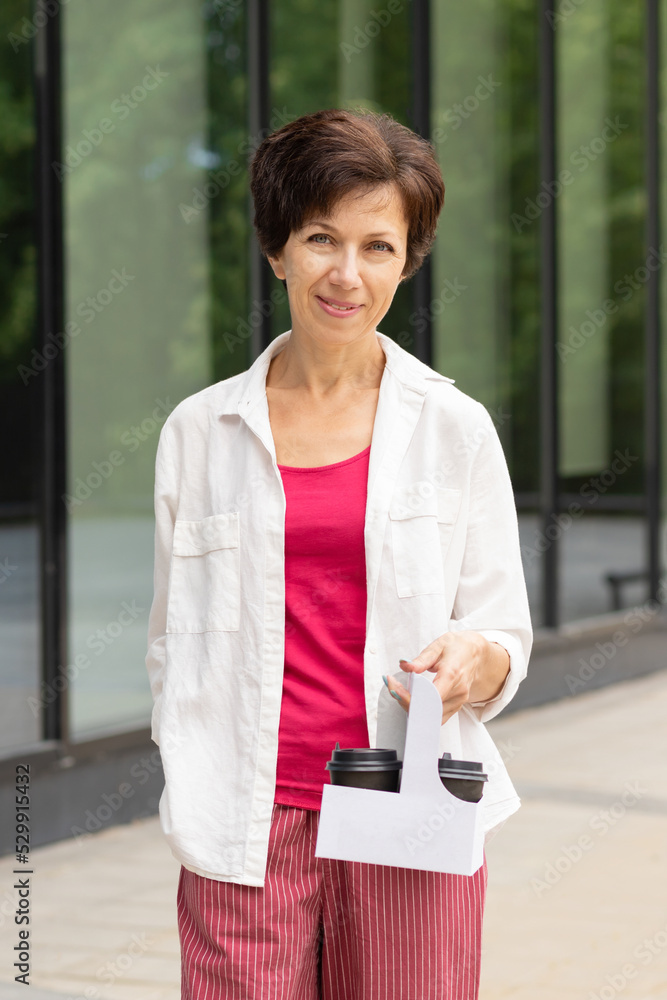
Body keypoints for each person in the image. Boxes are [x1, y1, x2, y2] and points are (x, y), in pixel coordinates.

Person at [145, 107, 533, 1000]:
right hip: (243, 823)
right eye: (321, 239)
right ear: (277, 248)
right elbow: (170, 640)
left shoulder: (455, 429)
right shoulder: (199, 433)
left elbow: (502, 633)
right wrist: (185, 759)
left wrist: (470, 662)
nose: (346, 275)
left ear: (407, 261)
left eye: (377, 247)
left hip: (409, 812)